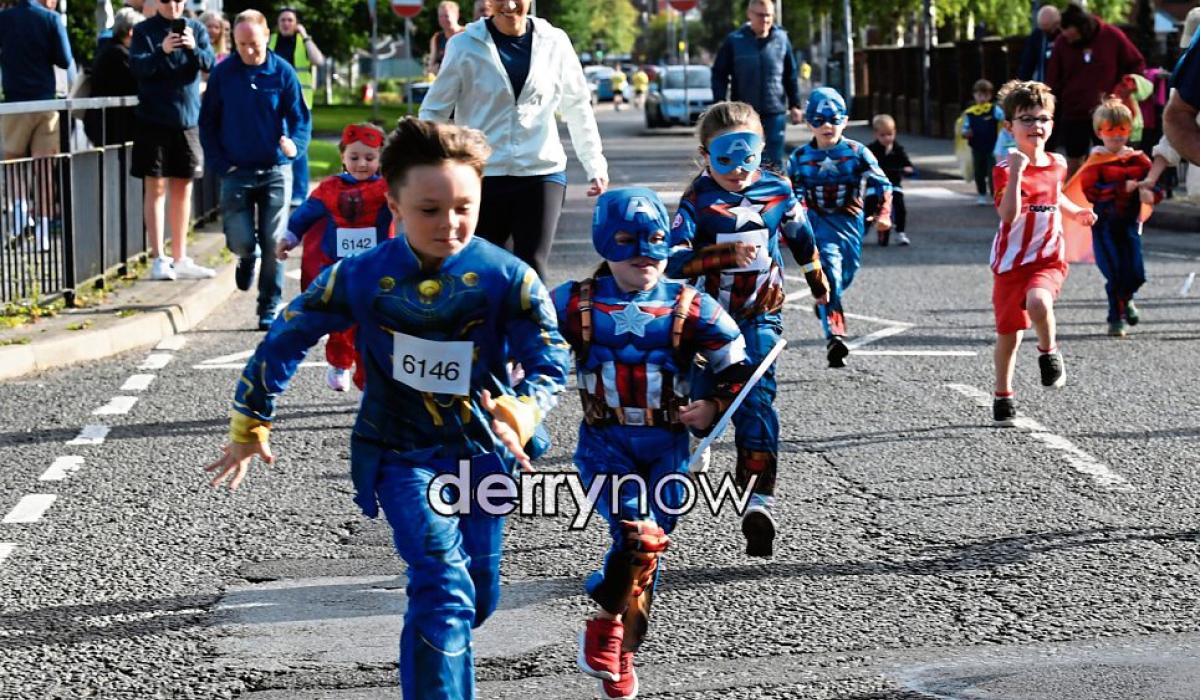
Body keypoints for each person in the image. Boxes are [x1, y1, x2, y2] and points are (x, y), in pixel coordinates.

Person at [205, 116, 571, 700]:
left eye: (463, 208)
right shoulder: (361, 276)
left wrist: (522, 412)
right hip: (401, 452)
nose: (449, 224)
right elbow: (286, 334)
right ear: (393, 208)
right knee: (441, 584)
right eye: (430, 210)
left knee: (476, 592)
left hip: (484, 458)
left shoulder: (509, 278)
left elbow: (551, 360)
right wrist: (251, 421)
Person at [556, 188, 752, 700]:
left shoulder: (689, 304)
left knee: (647, 556)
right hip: (605, 442)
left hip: (669, 444)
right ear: (604, 241)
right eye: (627, 241)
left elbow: (736, 362)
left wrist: (711, 406)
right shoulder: (574, 301)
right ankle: (602, 627)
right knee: (636, 533)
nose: (643, 252)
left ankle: (621, 649)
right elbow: (527, 349)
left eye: (656, 240)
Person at [668, 101, 829, 558]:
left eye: (748, 158)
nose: (738, 171)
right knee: (705, 412)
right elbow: (672, 262)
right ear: (705, 156)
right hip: (705, 321)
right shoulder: (697, 200)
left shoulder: (779, 190)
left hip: (761, 314)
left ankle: (758, 500)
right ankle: (701, 434)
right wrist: (718, 258)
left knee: (754, 398)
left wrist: (821, 288)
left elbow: (802, 241)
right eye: (725, 160)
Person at [419, 0, 608, 282]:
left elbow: (577, 107)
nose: (508, 5)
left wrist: (595, 164)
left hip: (541, 171)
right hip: (482, 173)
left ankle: (535, 326)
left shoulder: (554, 42)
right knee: (485, 268)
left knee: (532, 265)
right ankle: (486, 326)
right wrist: (428, 167)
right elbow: (434, 111)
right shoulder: (465, 46)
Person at [990, 81, 1095, 426]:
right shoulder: (1005, 169)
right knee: (1009, 334)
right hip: (1010, 263)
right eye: (1026, 119)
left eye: (1043, 119)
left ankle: (1049, 352)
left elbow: (1055, 196)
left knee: (1039, 302)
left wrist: (1075, 211)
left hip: (1048, 257)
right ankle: (1002, 394)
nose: (1036, 126)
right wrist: (1018, 171)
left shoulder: (1057, 163)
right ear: (1010, 127)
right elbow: (1008, 215)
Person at [199, 9, 310, 330]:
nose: (249, 51)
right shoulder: (225, 74)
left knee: (275, 240)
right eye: (242, 44)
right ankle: (246, 257)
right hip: (236, 169)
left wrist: (295, 146)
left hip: (276, 167)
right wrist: (221, 163)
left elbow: (301, 119)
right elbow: (208, 122)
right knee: (242, 239)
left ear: (266, 38)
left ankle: (268, 306)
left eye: (254, 45)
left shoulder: (283, 73)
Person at [276, 122, 393, 391]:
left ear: (380, 159)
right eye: (354, 157)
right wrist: (289, 238)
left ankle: (368, 382)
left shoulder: (387, 189)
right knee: (340, 320)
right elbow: (306, 214)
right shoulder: (329, 189)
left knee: (371, 327)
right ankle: (339, 362)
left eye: (369, 158)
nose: (361, 163)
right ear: (342, 156)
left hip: (376, 270)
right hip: (338, 270)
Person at [787, 87, 892, 368]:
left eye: (834, 119)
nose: (827, 126)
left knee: (845, 274)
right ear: (808, 123)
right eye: (819, 120)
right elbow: (790, 194)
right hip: (817, 225)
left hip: (850, 224)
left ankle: (824, 303)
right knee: (831, 275)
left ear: (845, 120)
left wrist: (884, 213)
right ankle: (834, 334)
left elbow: (883, 184)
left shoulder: (858, 152)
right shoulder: (799, 158)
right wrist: (789, 225)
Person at [128, 0, 217, 281]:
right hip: (152, 121)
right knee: (155, 188)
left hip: (187, 121)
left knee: (184, 187)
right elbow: (138, 68)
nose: (174, 6)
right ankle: (159, 258)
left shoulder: (197, 29)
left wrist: (193, 47)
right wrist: (162, 50)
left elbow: (210, 63)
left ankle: (180, 256)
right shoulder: (143, 31)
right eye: (168, 0)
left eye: (180, 1)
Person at [1064, 98, 1161, 337]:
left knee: (1136, 273)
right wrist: (1121, 188)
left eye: (1123, 130)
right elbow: (1091, 192)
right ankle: (1115, 317)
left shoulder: (1139, 160)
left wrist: (1151, 195)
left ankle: (1126, 299)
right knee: (1115, 272)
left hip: (1129, 225)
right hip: (1104, 225)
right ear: (1099, 132)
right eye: (1111, 130)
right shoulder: (1095, 162)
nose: (1117, 136)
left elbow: (1153, 188)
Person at [0, 0, 75, 251]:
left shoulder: (5, 18)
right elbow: (64, 59)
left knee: (12, 163)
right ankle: (42, 232)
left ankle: (22, 219)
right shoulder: (50, 19)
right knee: (44, 170)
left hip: (15, 103)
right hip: (45, 102)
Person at [1046, 3, 1145, 175]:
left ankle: (1113, 195)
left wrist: (1124, 88)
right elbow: (1053, 79)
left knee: (1111, 157)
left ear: (1082, 28)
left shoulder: (1111, 36)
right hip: (1074, 111)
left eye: (1070, 32)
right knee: (1074, 158)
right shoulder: (1062, 43)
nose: (1066, 37)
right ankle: (1072, 197)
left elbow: (1136, 63)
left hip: (1107, 111)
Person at [711, 0, 804, 169]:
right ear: (750, 15)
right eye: (760, 15)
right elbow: (719, 74)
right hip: (744, 114)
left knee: (774, 159)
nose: (765, 19)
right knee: (746, 158)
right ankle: (748, 194)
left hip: (774, 111)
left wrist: (795, 104)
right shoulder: (735, 41)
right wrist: (720, 103)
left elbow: (790, 73)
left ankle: (774, 194)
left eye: (769, 15)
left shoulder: (782, 39)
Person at [271, 7, 325, 206]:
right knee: (278, 144)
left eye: (290, 20)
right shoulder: (271, 41)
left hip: (300, 102)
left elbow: (318, 60)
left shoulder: (303, 42)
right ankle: (280, 189)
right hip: (275, 103)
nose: (286, 23)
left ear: (296, 23)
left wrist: (305, 36)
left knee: (299, 147)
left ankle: (300, 193)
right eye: (282, 20)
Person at [85, 7, 143, 147]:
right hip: (115, 128)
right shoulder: (120, 55)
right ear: (131, 32)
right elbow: (137, 82)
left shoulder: (107, 49)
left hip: (104, 125)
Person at [866, 113, 914, 246]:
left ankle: (900, 232)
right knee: (869, 204)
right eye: (883, 135)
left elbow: (907, 163)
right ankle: (864, 228)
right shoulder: (871, 150)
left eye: (890, 134)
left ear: (895, 133)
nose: (887, 138)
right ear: (876, 134)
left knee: (900, 206)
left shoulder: (898, 150)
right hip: (875, 185)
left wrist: (908, 167)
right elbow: (863, 163)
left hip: (893, 184)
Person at [961, 79, 1005, 206]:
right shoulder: (970, 113)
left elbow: (1004, 121)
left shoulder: (994, 110)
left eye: (985, 95)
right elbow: (964, 129)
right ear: (974, 95)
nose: (982, 98)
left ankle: (994, 194)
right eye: (979, 95)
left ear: (990, 96)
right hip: (976, 147)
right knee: (979, 172)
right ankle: (981, 194)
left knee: (993, 172)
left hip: (992, 146)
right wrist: (966, 133)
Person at [1017, 4, 1061, 82]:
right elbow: (1027, 64)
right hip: (1043, 84)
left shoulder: (1065, 37)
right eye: (1043, 29)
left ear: (1057, 24)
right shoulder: (1037, 36)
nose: (1045, 33)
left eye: (1048, 30)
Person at [427, 0, 464, 76]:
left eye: (446, 16)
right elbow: (430, 66)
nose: (443, 19)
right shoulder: (437, 38)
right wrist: (433, 70)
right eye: (440, 16)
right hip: (445, 82)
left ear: (457, 15)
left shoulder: (466, 33)